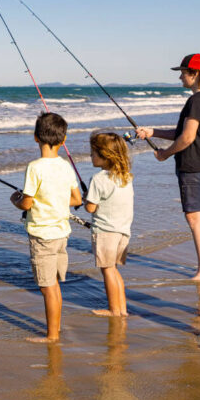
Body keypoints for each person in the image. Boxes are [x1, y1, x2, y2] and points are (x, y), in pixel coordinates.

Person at [135, 53, 200, 280]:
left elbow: (187, 138)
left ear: (195, 74)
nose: (180, 77)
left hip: (192, 165)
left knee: (194, 217)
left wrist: (165, 154)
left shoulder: (197, 101)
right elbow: (182, 133)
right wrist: (153, 132)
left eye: (183, 72)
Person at [10, 112, 83, 343]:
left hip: (42, 236)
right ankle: (56, 328)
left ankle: (52, 336)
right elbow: (77, 199)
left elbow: (26, 203)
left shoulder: (34, 167)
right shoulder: (66, 167)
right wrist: (54, 199)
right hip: (62, 234)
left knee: (47, 287)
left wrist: (15, 200)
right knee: (54, 285)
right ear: (63, 140)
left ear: (35, 137)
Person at [84, 132, 134, 317]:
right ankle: (122, 309)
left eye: (93, 152)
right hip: (123, 232)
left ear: (105, 155)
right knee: (114, 270)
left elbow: (90, 208)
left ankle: (114, 309)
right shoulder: (125, 177)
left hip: (105, 233)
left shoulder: (98, 179)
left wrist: (85, 200)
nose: (91, 156)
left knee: (107, 270)